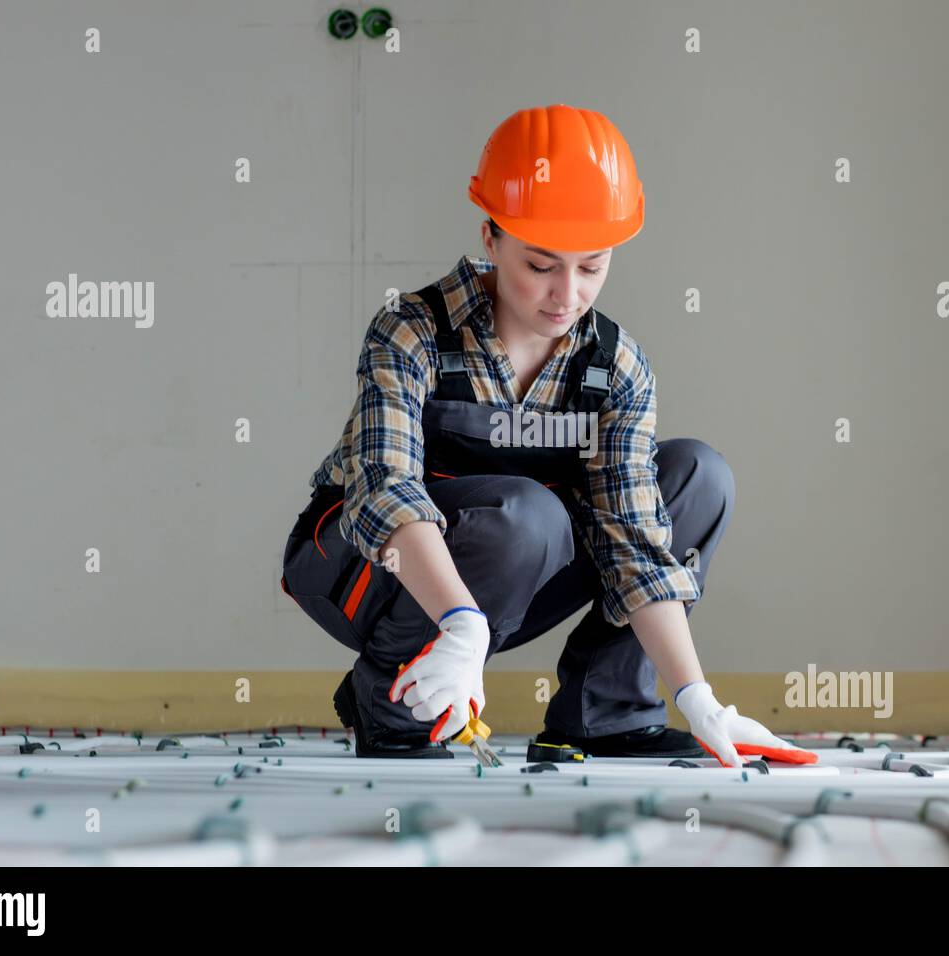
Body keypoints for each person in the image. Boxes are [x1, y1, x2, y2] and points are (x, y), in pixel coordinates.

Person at [281, 104, 816, 767]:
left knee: (696, 476)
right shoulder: (412, 329)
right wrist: (461, 622)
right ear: (491, 237)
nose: (567, 294)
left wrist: (697, 694)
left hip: (514, 566)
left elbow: (635, 541)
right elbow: (384, 486)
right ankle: (393, 701)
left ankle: (607, 713)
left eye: (592, 266)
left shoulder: (614, 367)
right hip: (362, 571)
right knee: (526, 516)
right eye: (541, 266)